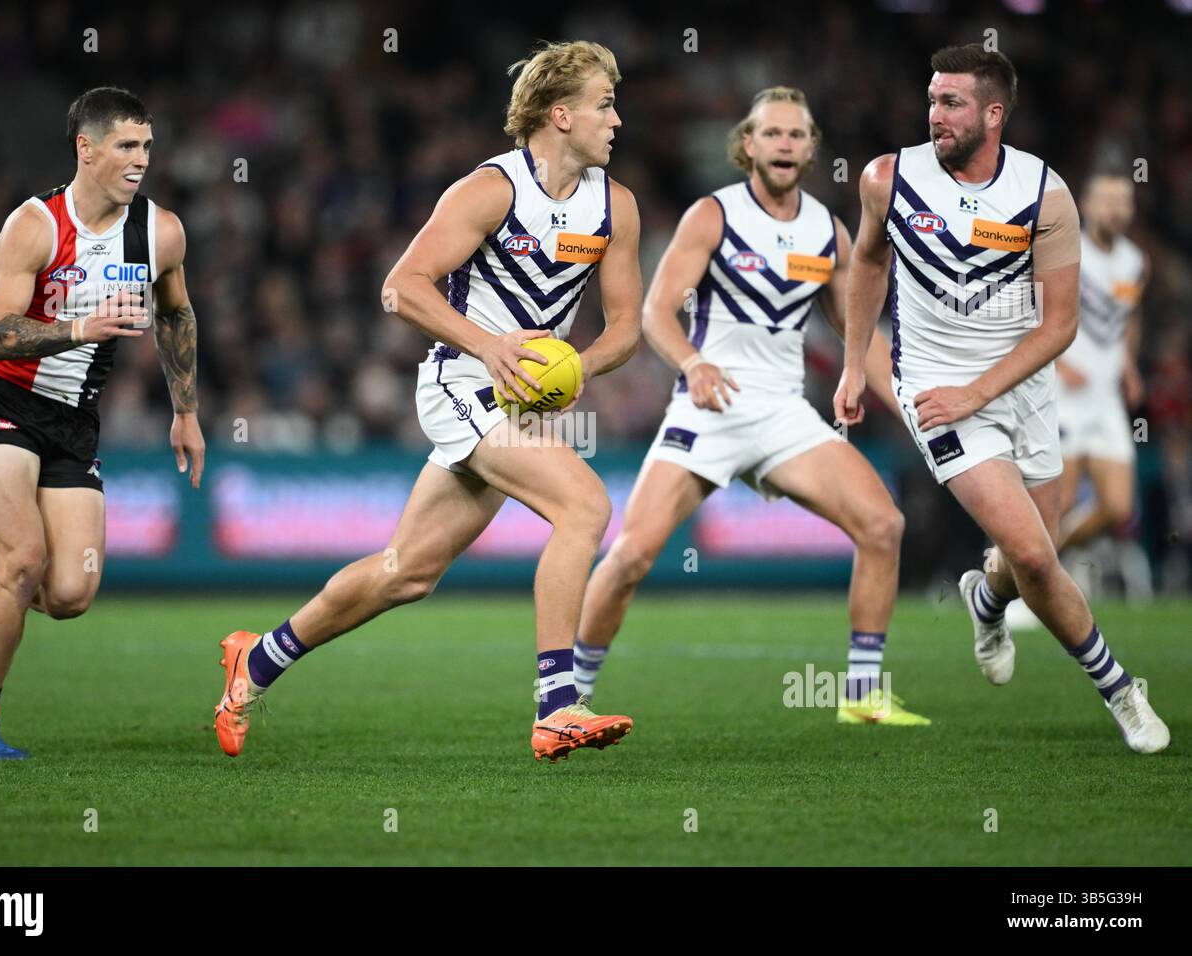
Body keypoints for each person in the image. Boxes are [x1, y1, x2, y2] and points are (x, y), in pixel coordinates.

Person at [212, 41, 643, 763]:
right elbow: (401, 287)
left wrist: (577, 366)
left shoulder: (615, 207)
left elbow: (627, 326)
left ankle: (255, 662)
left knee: (404, 573)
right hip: (462, 382)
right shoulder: (489, 190)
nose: (617, 120)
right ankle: (557, 707)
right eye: (605, 105)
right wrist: (492, 347)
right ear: (561, 114)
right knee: (586, 507)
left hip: (521, 404)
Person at [835, 44, 1168, 753]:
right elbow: (866, 261)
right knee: (1037, 556)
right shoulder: (886, 179)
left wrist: (982, 390)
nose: (935, 115)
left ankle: (985, 602)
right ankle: (1121, 692)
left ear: (993, 113)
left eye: (951, 102)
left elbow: (1061, 325)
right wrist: (853, 365)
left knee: (1026, 558)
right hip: (934, 391)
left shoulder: (1045, 195)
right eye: (931, 99)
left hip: (1022, 388)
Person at [574, 87, 925, 725]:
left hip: (782, 414)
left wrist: (914, 414)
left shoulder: (828, 231)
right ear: (748, 145)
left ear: (811, 148)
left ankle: (863, 694)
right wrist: (694, 363)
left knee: (883, 526)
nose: (784, 144)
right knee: (629, 557)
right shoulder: (713, 215)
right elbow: (655, 312)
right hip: (707, 409)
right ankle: (569, 695)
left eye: (796, 135)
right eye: (772, 134)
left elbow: (860, 336)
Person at [0, 87, 206, 760]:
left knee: (69, 593)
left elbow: (176, 314)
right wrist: (81, 327)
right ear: (86, 149)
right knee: (26, 560)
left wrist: (186, 411)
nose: (140, 161)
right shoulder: (34, 226)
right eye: (127, 146)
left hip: (73, 423)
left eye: (147, 147)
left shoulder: (161, 232)